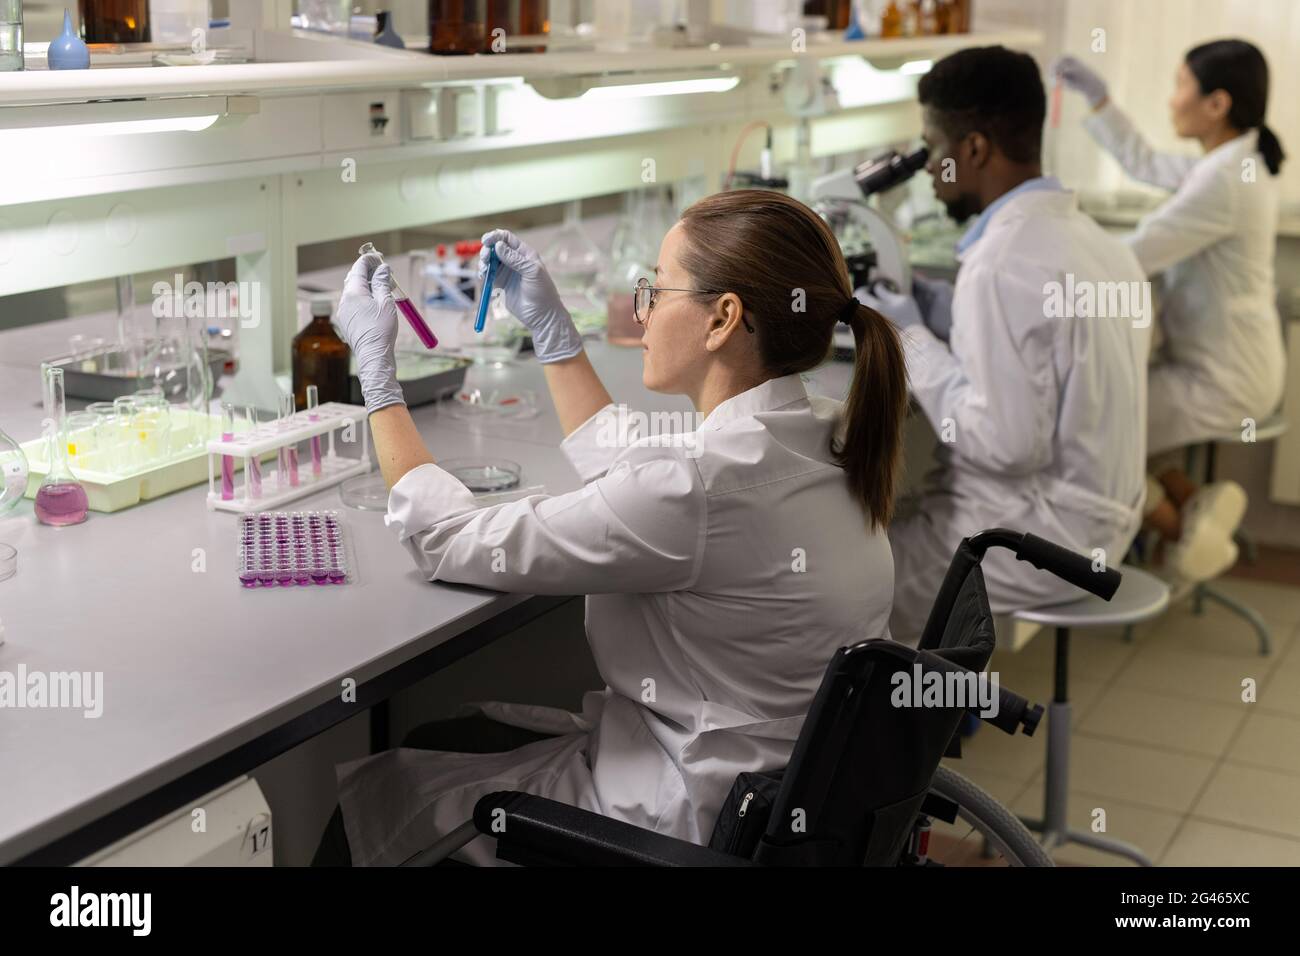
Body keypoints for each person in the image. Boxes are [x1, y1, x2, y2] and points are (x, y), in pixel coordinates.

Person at [313, 190, 909, 866]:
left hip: (674, 824)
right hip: (774, 798)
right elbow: (638, 471)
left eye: (656, 290)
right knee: (448, 732)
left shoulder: (698, 488)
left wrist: (377, 377)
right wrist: (552, 329)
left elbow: (445, 539)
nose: (640, 310)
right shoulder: (823, 429)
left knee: (365, 812)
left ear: (723, 318)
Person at [863, 46, 1152, 646]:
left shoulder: (1002, 263)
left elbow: (1006, 442)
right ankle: (940, 704)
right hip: (1098, 519)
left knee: (840, 591)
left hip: (1036, 534)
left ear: (972, 149)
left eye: (932, 147)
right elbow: (1042, 353)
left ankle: (907, 723)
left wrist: (906, 337)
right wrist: (943, 311)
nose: (927, 167)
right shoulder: (1095, 241)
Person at [1054, 40, 1287, 582]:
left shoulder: (1228, 178)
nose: (1171, 99)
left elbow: (1136, 253)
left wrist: (1050, 258)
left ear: (1217, 104)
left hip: (1225, 376)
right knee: (1122, 411)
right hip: (1222, 361)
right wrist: (1101, 100)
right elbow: (1146, 162)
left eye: (1181, 85)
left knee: (1094, 438)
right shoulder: (1234, 160)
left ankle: (1183, 534)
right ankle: (1198, 506)